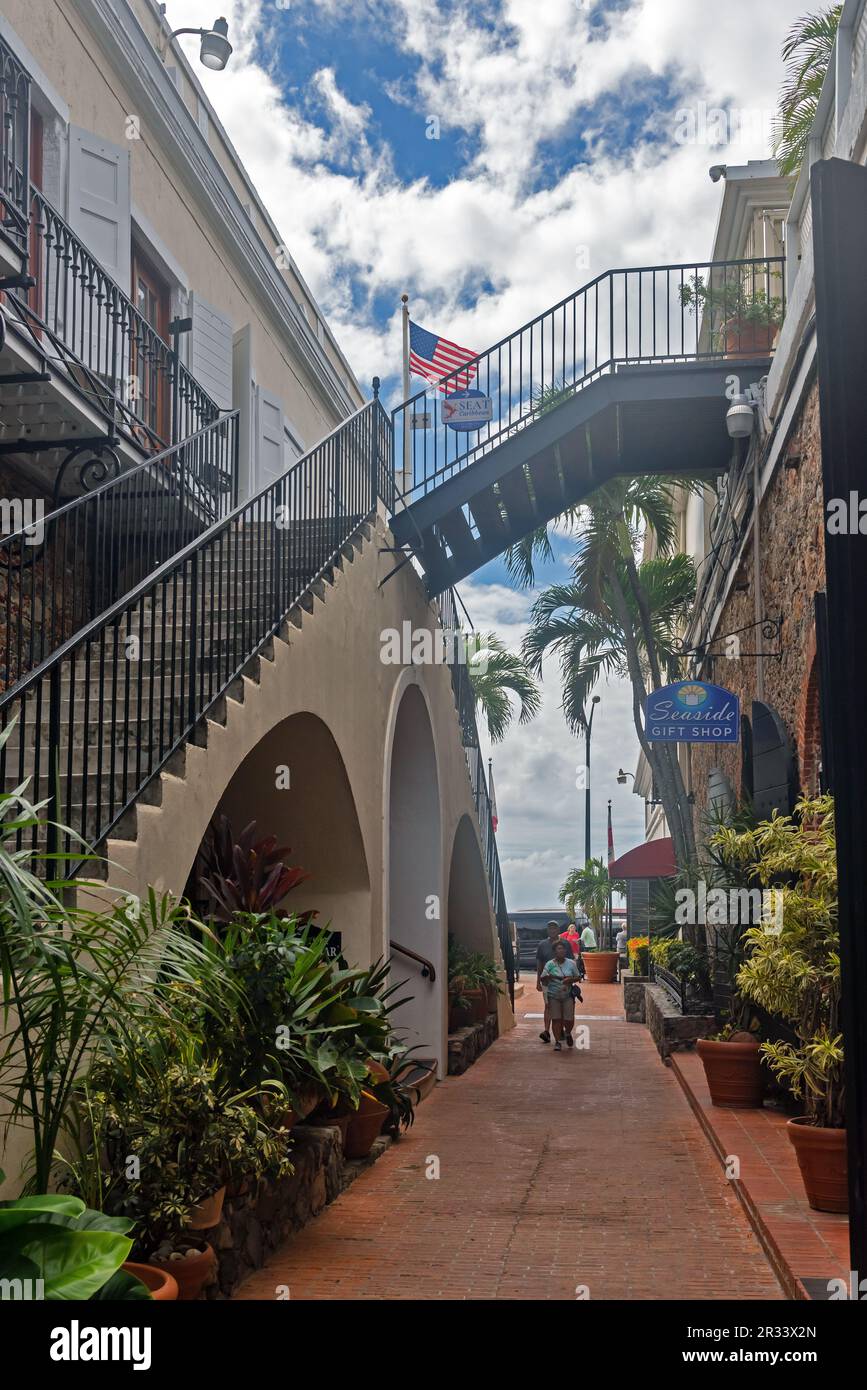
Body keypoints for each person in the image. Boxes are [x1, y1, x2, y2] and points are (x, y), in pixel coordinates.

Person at [536, 921, 574, 1044]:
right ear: (547, 930)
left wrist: (570, 980)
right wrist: (538, 981)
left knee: (562, 1007)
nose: (552, 930)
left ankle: (561, 1029)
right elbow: (539, 964)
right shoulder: (542, 945)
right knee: (548, 1006)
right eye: (550, 928)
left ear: (558, 930)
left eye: (554, 928)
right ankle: (546, 1031)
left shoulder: (565, 944)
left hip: (563, 983)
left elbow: (571, 962)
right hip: (547, 982)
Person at [541, 941, 581, 1051]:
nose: (561, 951)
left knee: (569, 1019)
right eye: (558, 949)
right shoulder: (549, 964)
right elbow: (542, 978)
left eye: (563, 949)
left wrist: (570, 979)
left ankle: (567, 1033)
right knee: (556, 1019)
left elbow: (578, 977)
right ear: (554, 951)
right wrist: (548, 977)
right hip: (553, 995)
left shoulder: (571, 963)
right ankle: (557, 1041)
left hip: (568, 995)